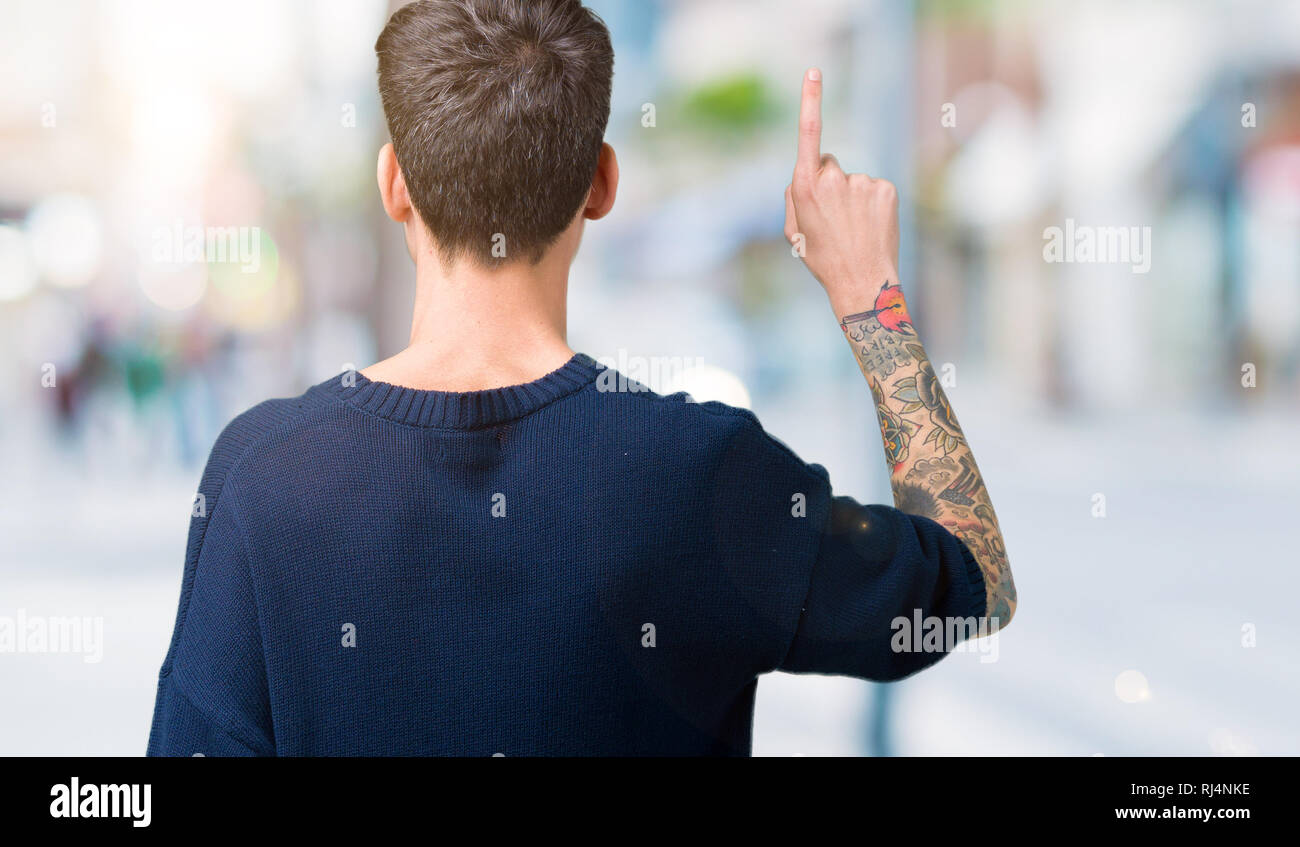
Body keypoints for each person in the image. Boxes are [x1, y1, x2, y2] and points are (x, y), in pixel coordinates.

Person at [147, 0, 1015, 757]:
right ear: (602, 183)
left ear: (393, 185)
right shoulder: (704, 471)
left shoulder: (263, 472)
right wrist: (871, 295)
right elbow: (973, 583)